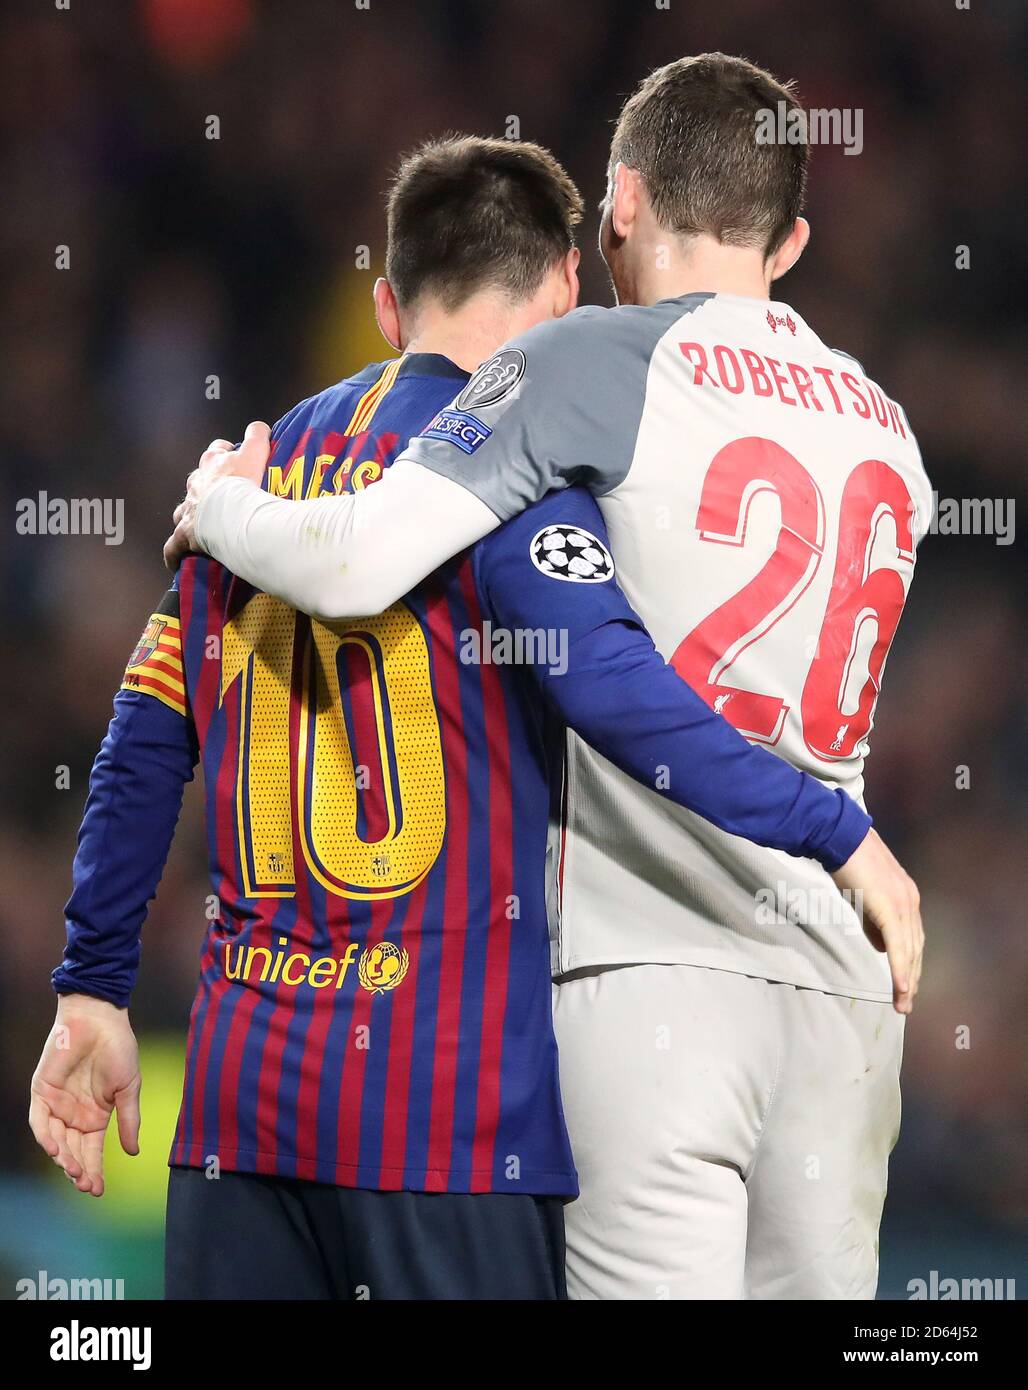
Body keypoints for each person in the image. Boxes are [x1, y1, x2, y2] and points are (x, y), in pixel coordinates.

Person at [32, 135, 879, 1301]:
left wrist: (90, 984)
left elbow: (137, 747)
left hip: (238, 1120)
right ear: (564, 291)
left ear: (385, 305)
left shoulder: (246, 483)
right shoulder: (516, 476)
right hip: (445, 1122)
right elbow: (627, 698)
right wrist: (831, 827)